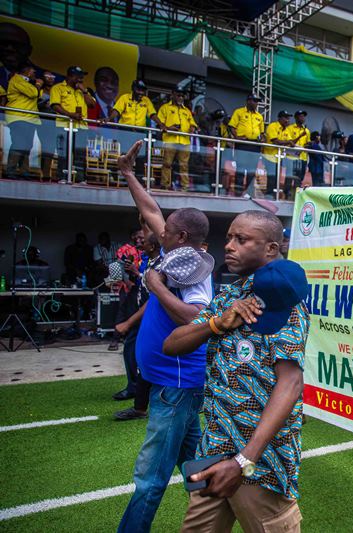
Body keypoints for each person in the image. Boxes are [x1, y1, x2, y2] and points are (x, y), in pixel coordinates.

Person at [163, 211, 308, 532]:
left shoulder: (286, 303)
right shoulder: (229, 296)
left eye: (241, 240)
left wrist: (244, 461)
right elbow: (172, 345)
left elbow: (291, 383)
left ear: (271, 249)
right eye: (229, 237)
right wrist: (217, 323)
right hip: (214, 447)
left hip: (262, 460)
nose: (228, 246)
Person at [116, 141, 213, 532]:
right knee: (199, 472)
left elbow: (198, 316)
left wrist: (155, 286)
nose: (158, 231)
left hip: (176, 386)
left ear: (181, 235)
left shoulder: (196, 270)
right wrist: (127, 172)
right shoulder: (175, 250)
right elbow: (152, 209)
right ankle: (213, 522)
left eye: (166, 230)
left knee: (150, 480)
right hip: (175, 385)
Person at [114, 231, 160, 421]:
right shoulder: (149, 262)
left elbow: (154, 300)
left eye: (145, 242)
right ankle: (139, 405)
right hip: (144, 316)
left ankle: (142, 405)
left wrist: (128, 322)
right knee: (141, 359)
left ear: (154, 246)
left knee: (146, 360)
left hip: (152, 320)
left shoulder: (160, 266)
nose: (141, 244)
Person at [106, 79, 161, 177]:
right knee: (123, 154)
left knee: (140, 156)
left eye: (142, 90)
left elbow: (152, 114)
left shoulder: (146, 101)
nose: (141, 93)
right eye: (139, 90)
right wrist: (109, 118)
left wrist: (161, 124)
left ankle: (138, 178)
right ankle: (116, 176)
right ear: (133, 89)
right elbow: (117, 111)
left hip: (139, 133)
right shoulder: (125, 98)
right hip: (125, 132)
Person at [50, 65, 96, 183]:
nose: (81, 79)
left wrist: (84, 91)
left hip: (81, 127)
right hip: (64, 126)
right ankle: (62, 177)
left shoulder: (83, 91)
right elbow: (55, 105)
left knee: (80, 154)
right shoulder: (58, 88)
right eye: (78, 77)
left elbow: (92, 105)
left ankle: (80, 178)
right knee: (63, 153)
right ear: (70, 76)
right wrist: (70, 114)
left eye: (82, 77)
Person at [157, 87, 197, 191]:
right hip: (170, 140)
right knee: (167, 163)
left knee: (184, 165)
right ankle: (165, 185)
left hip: (184, 141)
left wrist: (192, 128)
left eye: (182, 96)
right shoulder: (165, 108)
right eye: (178, 95)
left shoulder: (186, 110)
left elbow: (193, 123)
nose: (180, 97)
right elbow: (160, 124)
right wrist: (169, 128)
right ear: (173, 95)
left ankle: (185, 186)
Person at [5, 66, 42, 179]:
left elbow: (37, 95)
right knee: (19, 144)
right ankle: (10, 170)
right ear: (26, 71)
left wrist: (36, 88)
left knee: (27, 146)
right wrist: (38, 85)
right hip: (18, 117)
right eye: (33, 71)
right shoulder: (17, 79)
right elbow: (33, 93)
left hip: (30, 118)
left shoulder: (28, 82)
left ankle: (24, 171)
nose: (35, 74)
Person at [227, 94, 265, 196]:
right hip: (243, 144)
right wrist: (237, 137)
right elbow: (231, 126)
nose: (256, 103)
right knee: (240, 168)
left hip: (255, 145)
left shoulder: (259, 116)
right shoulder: (239, 112)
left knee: (252, 170)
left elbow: (262, 133)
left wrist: (262, 139)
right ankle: (238, 192)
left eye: (257, 101)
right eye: (254, 101)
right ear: (248, 101)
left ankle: (248, 191)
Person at [284, 110, 310, 197]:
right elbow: (290, 142)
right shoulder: (290, 128)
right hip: (291, 157)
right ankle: (286, 194)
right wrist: (300, 136)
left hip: (303, 158)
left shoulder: (307, 131)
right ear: (296, 117)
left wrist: (308, 144)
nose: (303, 118)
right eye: (300, 116)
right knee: (289, 177)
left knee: (299, 179)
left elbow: (307, 143)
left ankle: (296, 196)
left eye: (304, 116)